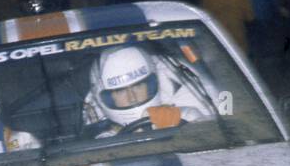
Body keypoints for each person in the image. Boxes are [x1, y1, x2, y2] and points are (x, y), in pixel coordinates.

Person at [82, 45, 214, 135]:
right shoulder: (94, 116)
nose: (132, 97)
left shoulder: (185, 87)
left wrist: (183, 123)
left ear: (152, 83)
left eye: (138, 86)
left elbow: (213, 131)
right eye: (120, 91)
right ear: (106, 97)